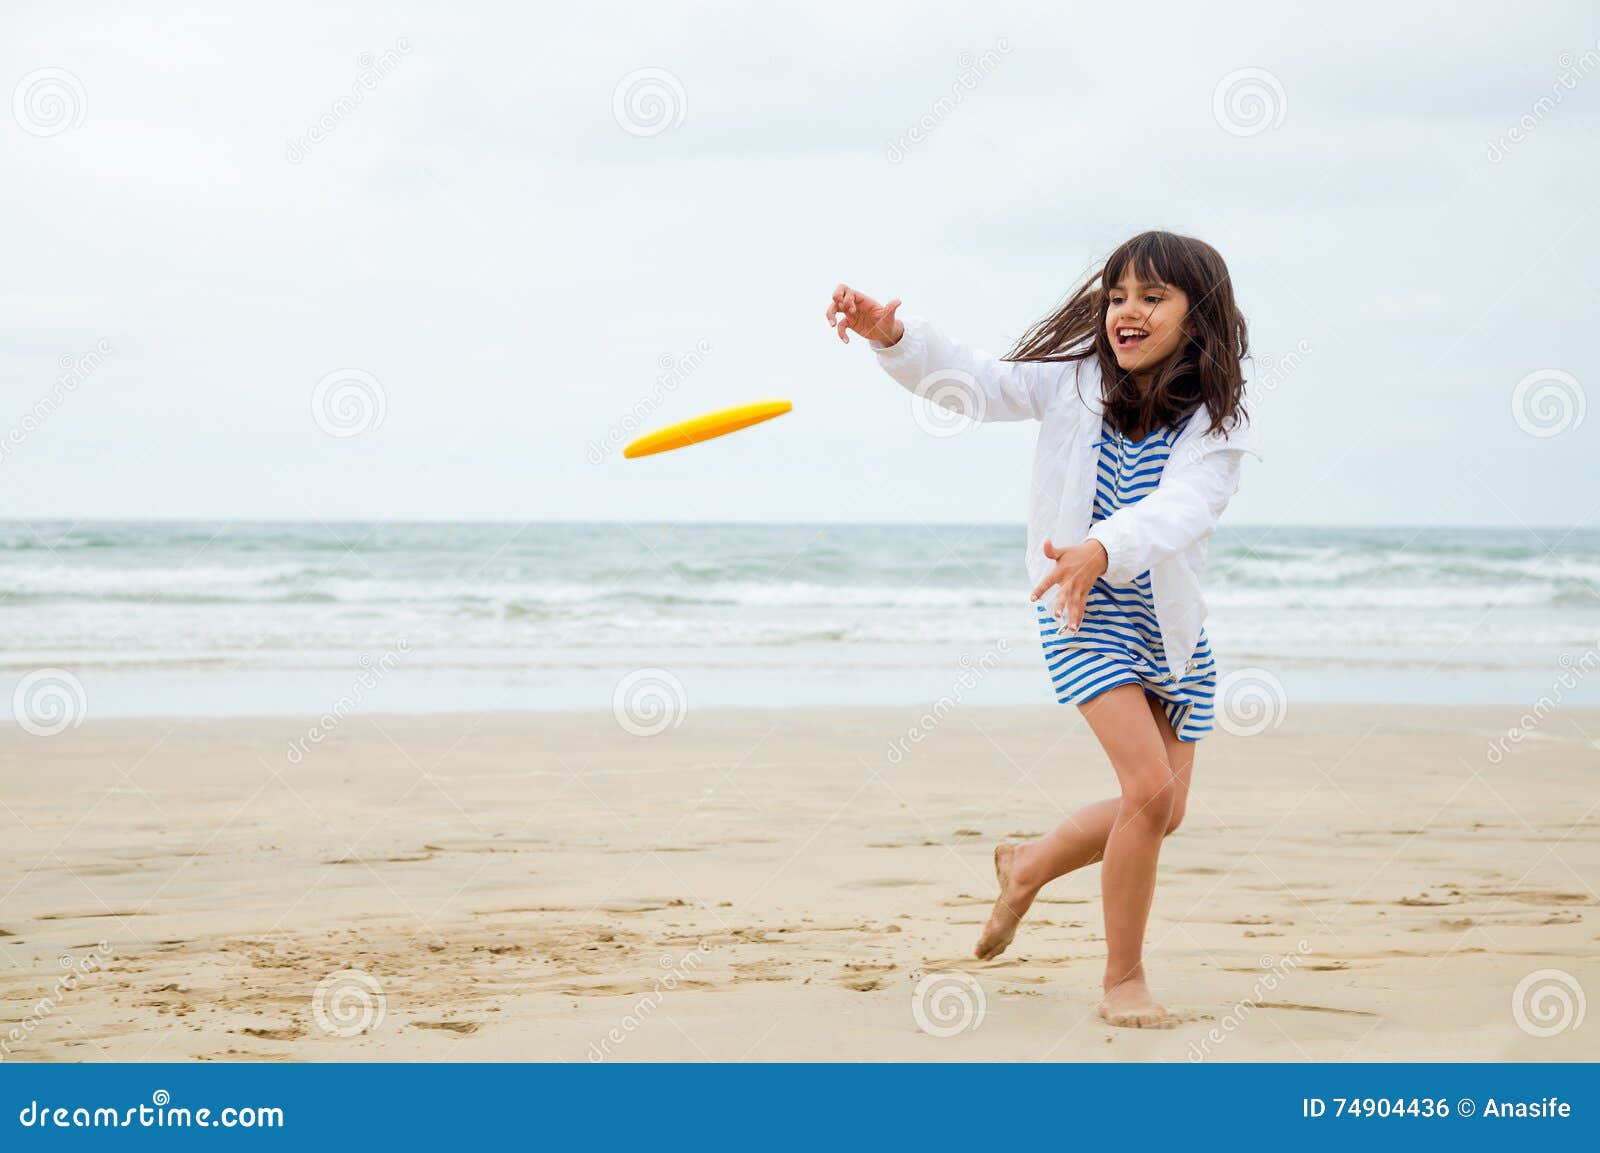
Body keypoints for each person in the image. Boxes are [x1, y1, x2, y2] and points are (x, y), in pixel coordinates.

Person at [826, 230, 1263, 1028]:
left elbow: (1183, 508)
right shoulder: (1074, 383)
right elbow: (982, 385)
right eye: (1118, 294)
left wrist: (1108, 545)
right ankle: (1122, 980)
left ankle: (1025, 863)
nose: (1127, 311)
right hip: (1080, 609)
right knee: (1148, 791)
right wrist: (895, 336)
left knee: (1165, 811)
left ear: (1196, 318)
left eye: (1152, 297)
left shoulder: (1218, 423)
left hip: (1169, 626)